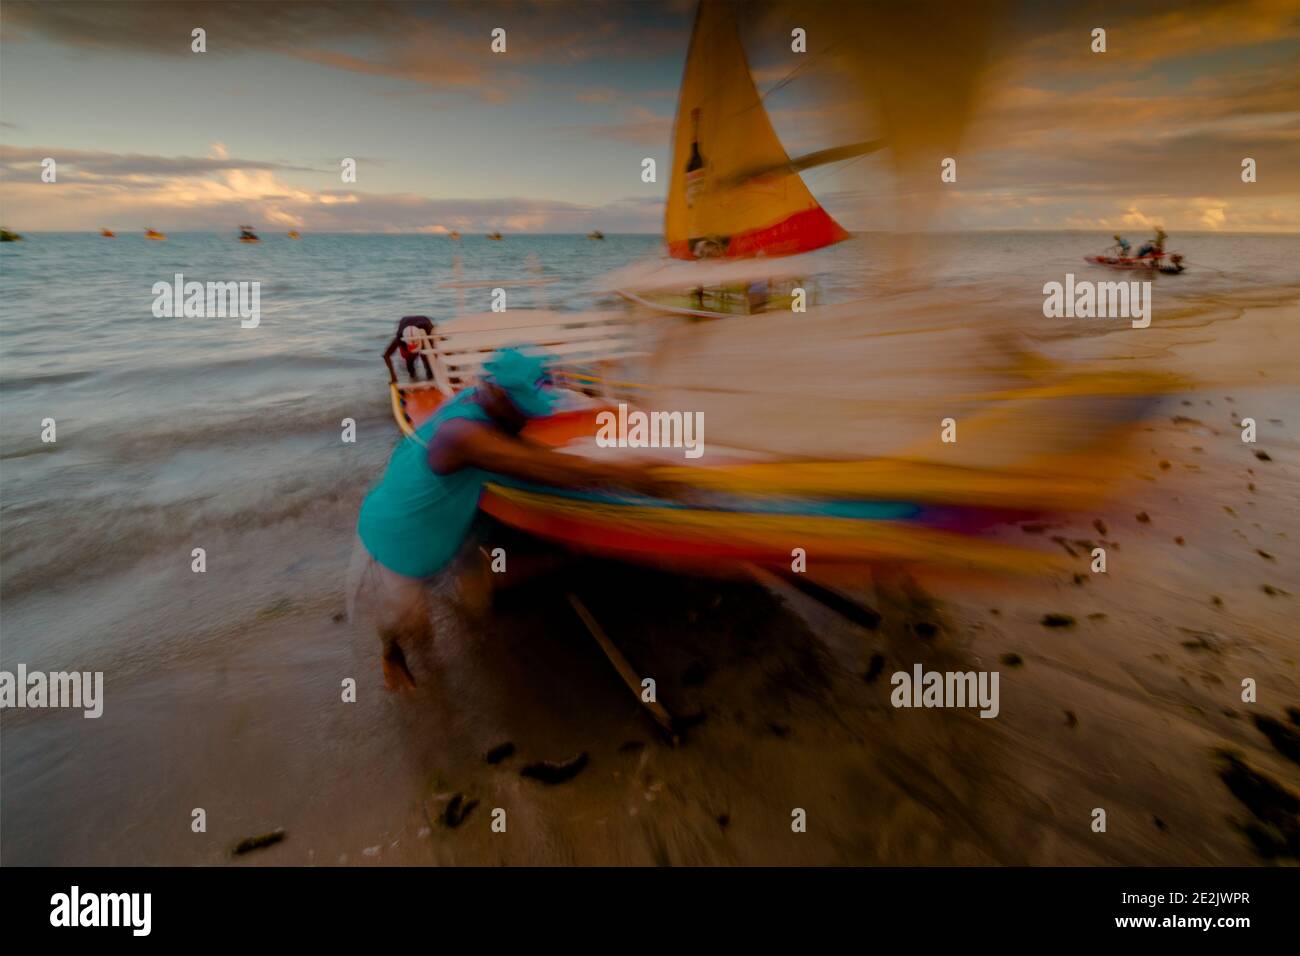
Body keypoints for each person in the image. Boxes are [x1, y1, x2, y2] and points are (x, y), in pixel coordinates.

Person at [349, 346, 669, 691]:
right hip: (394, 541)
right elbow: (537, 465)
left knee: (476, 599)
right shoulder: (461, 435)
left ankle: (475, 610)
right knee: (410, 627)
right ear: (498, 394)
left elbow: (528, 454)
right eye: (522, 408)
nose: (528, 418)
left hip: (449, 526)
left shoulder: (481, 400)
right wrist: (631, 475)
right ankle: (392, 657)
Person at [384, 315, 435, 383]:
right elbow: (386, 355)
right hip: (405, 325)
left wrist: (453, 369)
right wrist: (393, 376)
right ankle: (413, 379)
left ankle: (430, 379)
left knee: (428, 361)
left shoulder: (429, 332)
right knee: (409, 362)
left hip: (424, 323)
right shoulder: (399, 338)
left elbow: (446, 347)